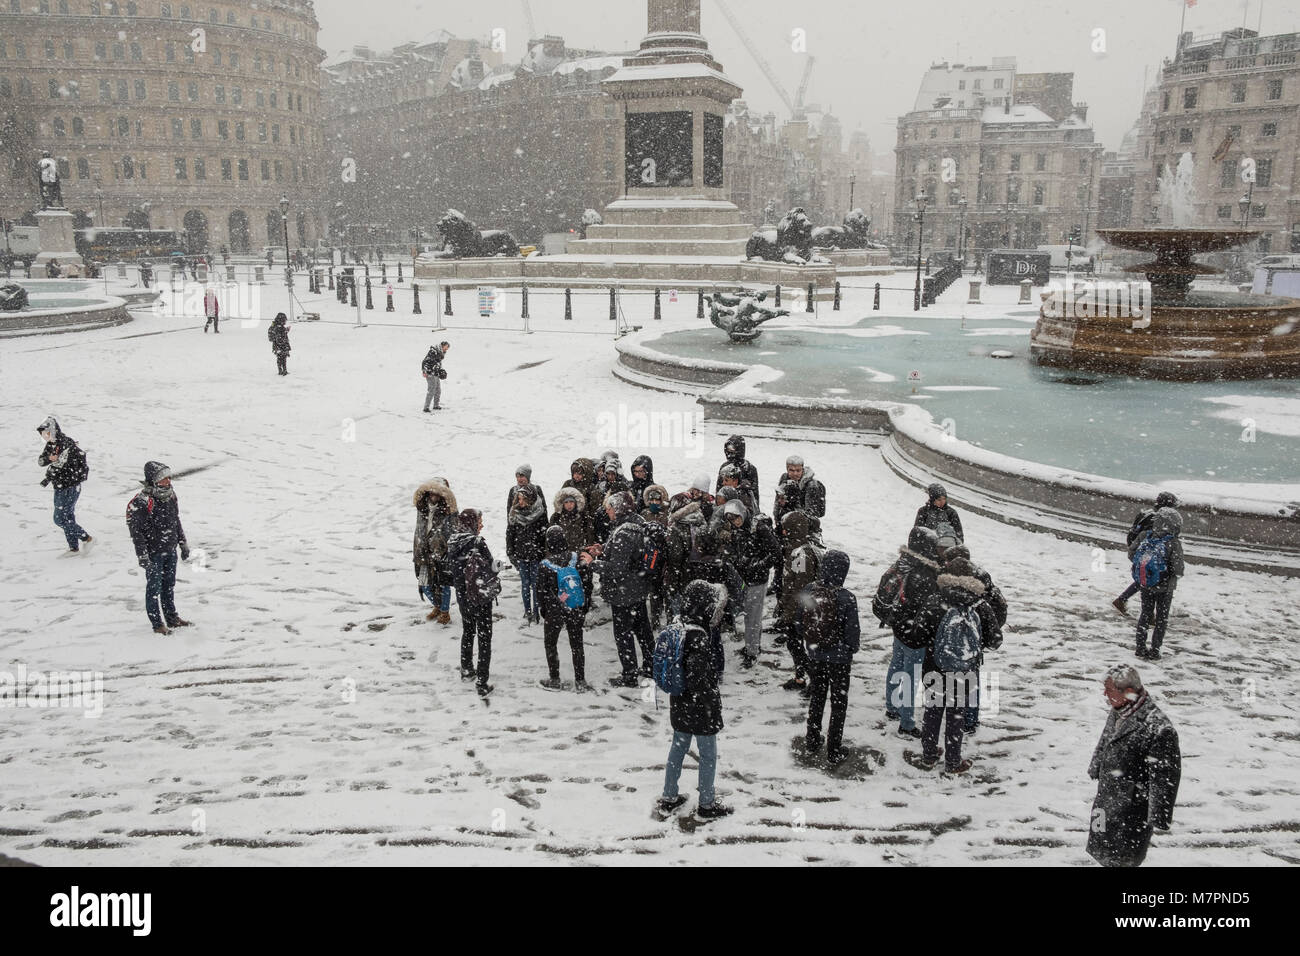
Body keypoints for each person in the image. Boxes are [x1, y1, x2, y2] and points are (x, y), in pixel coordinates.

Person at [912, 557, 1001, 774]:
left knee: (932, 712)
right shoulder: (979, 604)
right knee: (956, 715)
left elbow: (916, 635)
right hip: (965, 670)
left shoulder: (935, 600)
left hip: (935, 666)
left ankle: (929, 755)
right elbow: (995, 640)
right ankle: (953, 761)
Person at [1087, 665, 1181, 867]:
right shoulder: (1120, 709)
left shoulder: (1159, 729)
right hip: (1106, 800)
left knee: (1124, 857)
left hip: (1131, 811)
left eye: (1109, 690)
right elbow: (1107, 738)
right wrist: (1096, 765)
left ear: (1128, 692)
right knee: (1101, 848)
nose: (1105, 695)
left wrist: (1158, 817)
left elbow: (1165, 777)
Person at [657, 580, 733, 820]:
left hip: (678, 701)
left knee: (677, 748)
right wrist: (712, 702)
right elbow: (698, 676)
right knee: (708, 753)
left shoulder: (678, 625)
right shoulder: (698, 636)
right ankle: (706, 804)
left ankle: (669, 797)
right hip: (699, 706)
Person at [876, 526, 942, 738]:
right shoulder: (924, 574)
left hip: (898, 626)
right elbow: (930, 608)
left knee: (896, 665)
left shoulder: (903, 563)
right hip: (916, 633)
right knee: (911, 677)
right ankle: (907, 722)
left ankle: (892, 707)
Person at [584, 492, 653, 687]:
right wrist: (603, 549)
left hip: (624, 593)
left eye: (610, 507)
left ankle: (629, 675)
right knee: (643, 630)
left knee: (623, 635)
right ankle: (651, 667)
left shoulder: (624, 532)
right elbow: (627, 556)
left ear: (619, 508)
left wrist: (592, 563)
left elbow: (616, 568)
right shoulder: (636, 523)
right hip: (637, 588)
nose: (607, 511)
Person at [798, 550, 860, 765]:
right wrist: (850, 649)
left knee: (817, 697)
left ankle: (812, 738)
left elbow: (799, 621)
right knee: (838, 703)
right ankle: (834, 749)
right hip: (840, 660)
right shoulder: (847, 597)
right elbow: (852, 633)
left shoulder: (809, 590)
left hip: (815, 655)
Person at [126, 461, 192, 635]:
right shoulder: (142, 502)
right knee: (154, 589)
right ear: (154, 480)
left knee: (168, 586)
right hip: (154, 553)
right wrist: (142, 555)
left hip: (170, 550)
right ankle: (157, 624)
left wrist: (182, 542)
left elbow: (175, 520)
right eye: (163, 478)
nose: (168, 481)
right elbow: (136, 532)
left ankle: (172, 617)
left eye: (168, 477)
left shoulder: (171, 495)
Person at [448, 509, 500, 697]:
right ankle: (482, 680)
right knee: (484, 636)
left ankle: (466, 668)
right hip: (480, 596)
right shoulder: (477, 543)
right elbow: (491, 567)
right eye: (479, 521)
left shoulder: (453, 542)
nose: (482, 525)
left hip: (463, 597)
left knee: (468, 631)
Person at [724, 500, 779, 668]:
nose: (735, 522)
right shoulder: (738, 530)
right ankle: (752, 646)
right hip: (745, 578)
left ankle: (752, 652)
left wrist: (758, 566)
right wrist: (736, 561)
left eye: (737, 518)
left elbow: (775, 552)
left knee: (753, 616)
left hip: (757, 579)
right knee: (750, 615)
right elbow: (734, 549)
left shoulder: (759, 528)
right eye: (731, 520)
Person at [537, 526, 593, 692]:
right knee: (576, 645)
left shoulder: (545, 565)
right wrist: (585, 604)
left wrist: (544, 609)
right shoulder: (576, 558)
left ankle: (554, 678)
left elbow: (540, 590)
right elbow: (587, 583)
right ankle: (580, 680)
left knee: (551, 643)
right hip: (575, 606)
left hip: (555, 609)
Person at [1128, 506, 1185, 660]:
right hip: (1165, 588)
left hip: (1146, 584)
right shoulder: (1173, 542)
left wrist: (1145, 568)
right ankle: (1155, 649)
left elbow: (1132, 553)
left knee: (1145, 614)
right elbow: (1178, 569)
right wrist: (1166, 574)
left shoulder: (1145, 535)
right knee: (1161, 618)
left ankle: (1140, 647)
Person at [1113, 492, 1179, 615]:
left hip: (1136, 548)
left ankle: (1124, 600)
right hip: (1145, 552)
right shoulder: (1159, 519)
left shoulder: (1146, 513)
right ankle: (1146, 613)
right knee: (1148, 579)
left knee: (1144, 577)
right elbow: (1154, 538)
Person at [777, 510, 821, 691]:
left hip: (801, 609)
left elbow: (799, 586)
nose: (783, 532)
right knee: (796, 644)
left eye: (786, 529)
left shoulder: (801, 554)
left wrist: (789, 612)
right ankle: (801, 677)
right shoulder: (796, 549)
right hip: (798, 607)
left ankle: (813, 680)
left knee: (796, 645)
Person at [37, 416, 91, 553]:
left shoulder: (66, 443)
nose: (45, 436)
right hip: (60, 486)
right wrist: (49, 458)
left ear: (53, 431)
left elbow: (73, 465)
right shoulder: (51, 445)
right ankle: (73, 548)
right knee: (67, 517)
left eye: (47, 433)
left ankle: (86, 538)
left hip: (69, 486)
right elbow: (41, 462)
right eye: (43, 434)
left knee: (59, 518)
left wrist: (61, 470)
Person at [413, 478, 458, 625]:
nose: (435, 494)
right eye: (433, 491)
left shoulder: (449, 511)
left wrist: (444, 548)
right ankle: (438, 606)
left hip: (441, 552)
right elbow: (419, 530)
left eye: (439, 492)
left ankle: (444, 612)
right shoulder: (422, 508)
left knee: (442, 583)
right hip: (423, 551)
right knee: (425, 585)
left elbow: (453, 532)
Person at [505, 485, 547, 626]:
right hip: (521, 555)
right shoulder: (515, 513)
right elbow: (510, 534)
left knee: (535, 585)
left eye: (523, 499)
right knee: (525, 585)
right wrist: (511, 552)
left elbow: (543, 536)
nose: (520, 502)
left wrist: (541, 552)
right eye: (519, 499)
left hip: (536, 556)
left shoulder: (539, 514)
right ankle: (527, 610)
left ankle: (536, 611)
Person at [639, 484, 671, 629]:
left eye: (657, 500)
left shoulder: (667, 514)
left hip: (664, 556)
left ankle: (670, 619)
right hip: (650, 557)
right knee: (654, 590)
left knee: (666, 590)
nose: (654, 503)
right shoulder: (644, 514)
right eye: (651, 500)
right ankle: (655, 619)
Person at [913, 482, 964, 551]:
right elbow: (917, 530)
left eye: (944, 499)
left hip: (947, 548)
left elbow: (959, 533)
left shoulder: (951, 513)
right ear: (933, 499)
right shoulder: (924, 511)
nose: (942, 502)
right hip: (927, 547)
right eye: (939, 500)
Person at [714, 435, 760, 504]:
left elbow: (754, 495)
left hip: (743, 506)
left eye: (732, 450)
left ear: (739, 450)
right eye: (727, 449)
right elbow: (719, 489)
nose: (729, 452)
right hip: (724, 504)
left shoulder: (749, 468)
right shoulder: (724, 467)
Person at [550, 487, 594, 555]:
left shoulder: (584, 517)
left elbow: (589, 538)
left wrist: (587, 555)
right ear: (562, 504)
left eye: (571, 502)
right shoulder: (556, 517)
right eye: (566, 502)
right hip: (560, 555)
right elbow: (550, 540)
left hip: (579, 555)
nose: (569, 504)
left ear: (576, 503)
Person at [422, 341, 450, 412]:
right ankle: (426, 407)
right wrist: (424, 371)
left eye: (447, 348)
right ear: (442, 346)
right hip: (430, 373)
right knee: (431, 390)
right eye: (446, 348)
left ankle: (436, 405)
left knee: (438, 390)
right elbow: (425, 362)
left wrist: (441, 371)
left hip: (435, 373)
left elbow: (437, 364)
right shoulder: (433, 351)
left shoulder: (440, 353)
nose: (446, 350)